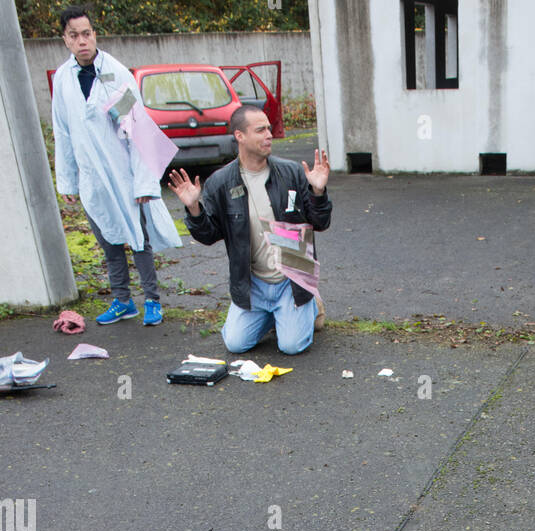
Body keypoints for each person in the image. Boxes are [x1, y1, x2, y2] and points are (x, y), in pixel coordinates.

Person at [51, 6, 181, 326]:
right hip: (91, 176)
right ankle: (123, 300)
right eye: (74, 35)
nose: (82, 41)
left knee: (138, 238)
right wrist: (67, 182)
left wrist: (144, 184)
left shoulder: (115, 74)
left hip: (123, 172)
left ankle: (152, 300)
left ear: (94, 34)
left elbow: (138, 128)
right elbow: (63, 132)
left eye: (87, 33)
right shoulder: (64, 80)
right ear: (65, 40)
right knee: (108, 239)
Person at [169, 106, 331, 355]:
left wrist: (318, 193)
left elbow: (320, 223)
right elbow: (208, 235)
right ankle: (276, 315)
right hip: (252, 283)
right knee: (236, 344)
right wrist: (194, 209)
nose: (269, 134)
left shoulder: (291, 173)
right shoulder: (220, 183)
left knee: (291, 346)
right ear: (240, 136)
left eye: (268, 128)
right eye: (260, 130)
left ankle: (309, 302)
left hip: (290, 279)